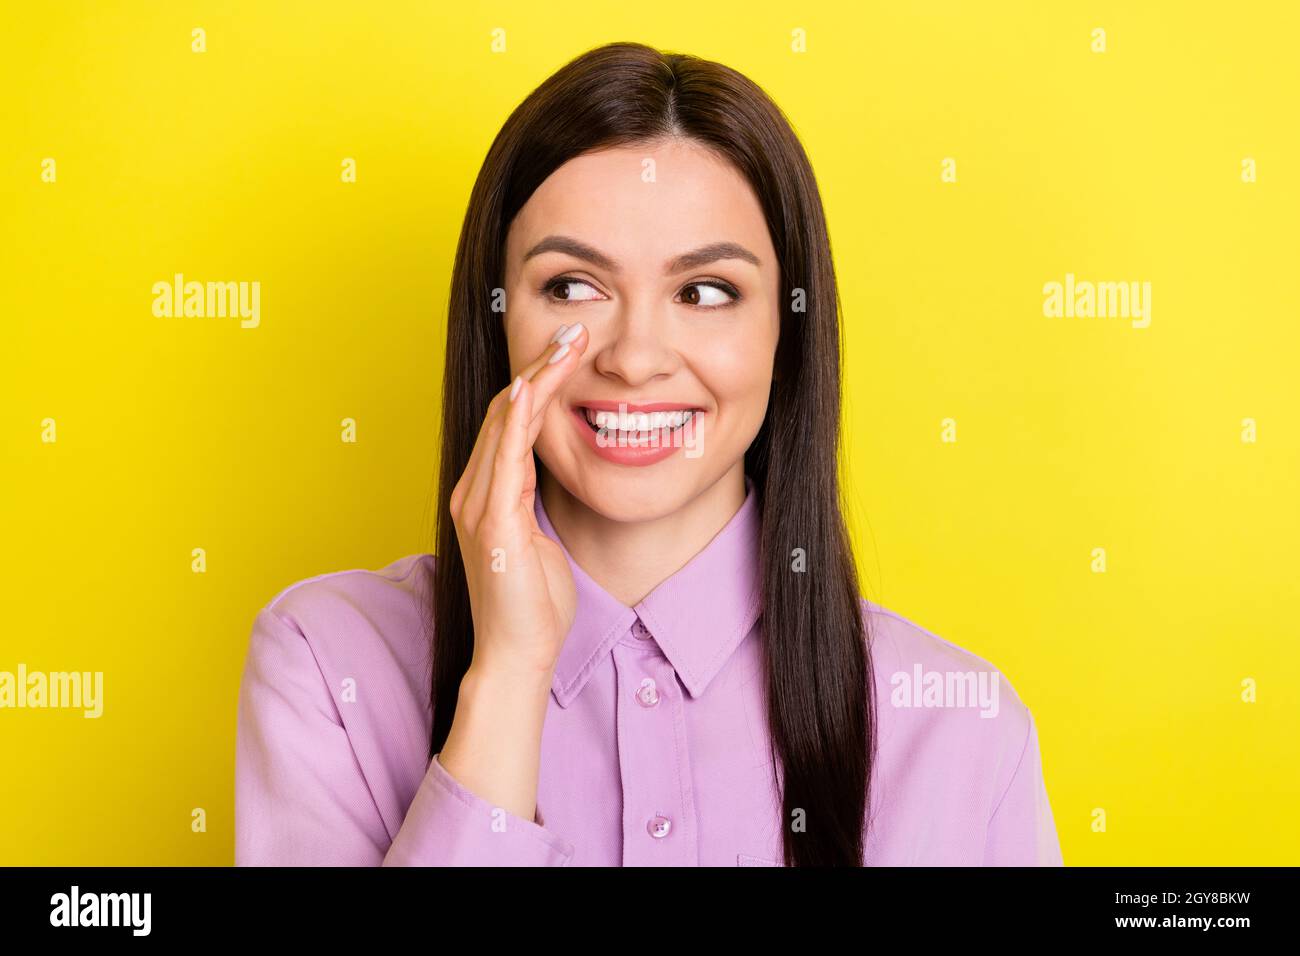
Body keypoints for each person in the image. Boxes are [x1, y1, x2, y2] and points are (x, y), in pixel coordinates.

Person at [235, 41, 1063, 866]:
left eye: (704, 293)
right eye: (571, 286)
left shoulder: (961, 728)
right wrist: (509, 676)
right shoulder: (326, 664)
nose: (633, 357)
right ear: (497, 317)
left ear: (788, 330)